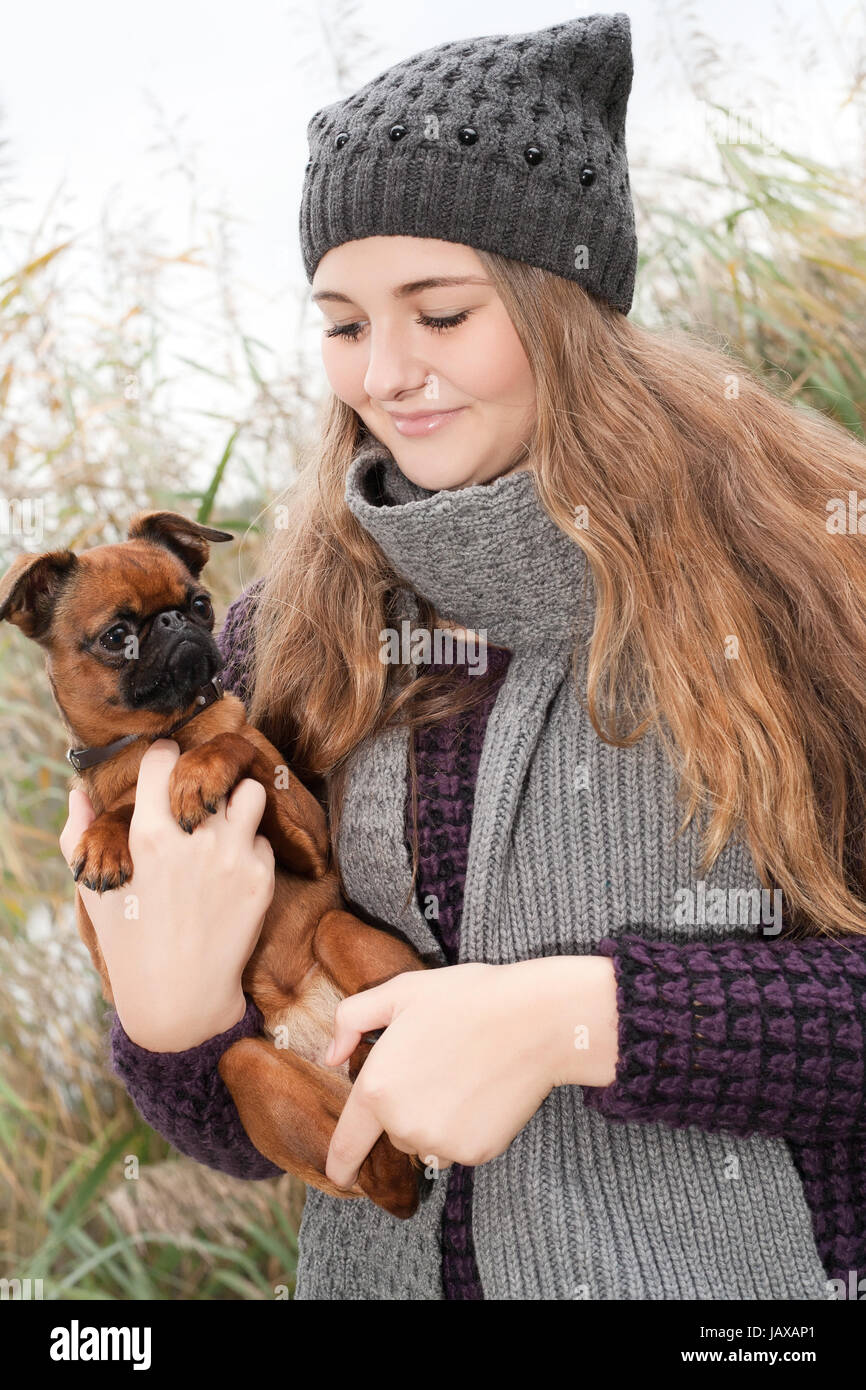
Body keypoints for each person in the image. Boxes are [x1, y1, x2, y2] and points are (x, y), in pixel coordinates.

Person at [60, 13, 866, 1300]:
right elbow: (251, 1124)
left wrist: (581, 1022)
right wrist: (169, 1023)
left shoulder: (809, 581)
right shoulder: (291, 631)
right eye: (339, 324)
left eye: (439, 312)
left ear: (566, 304)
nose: (385, 374)